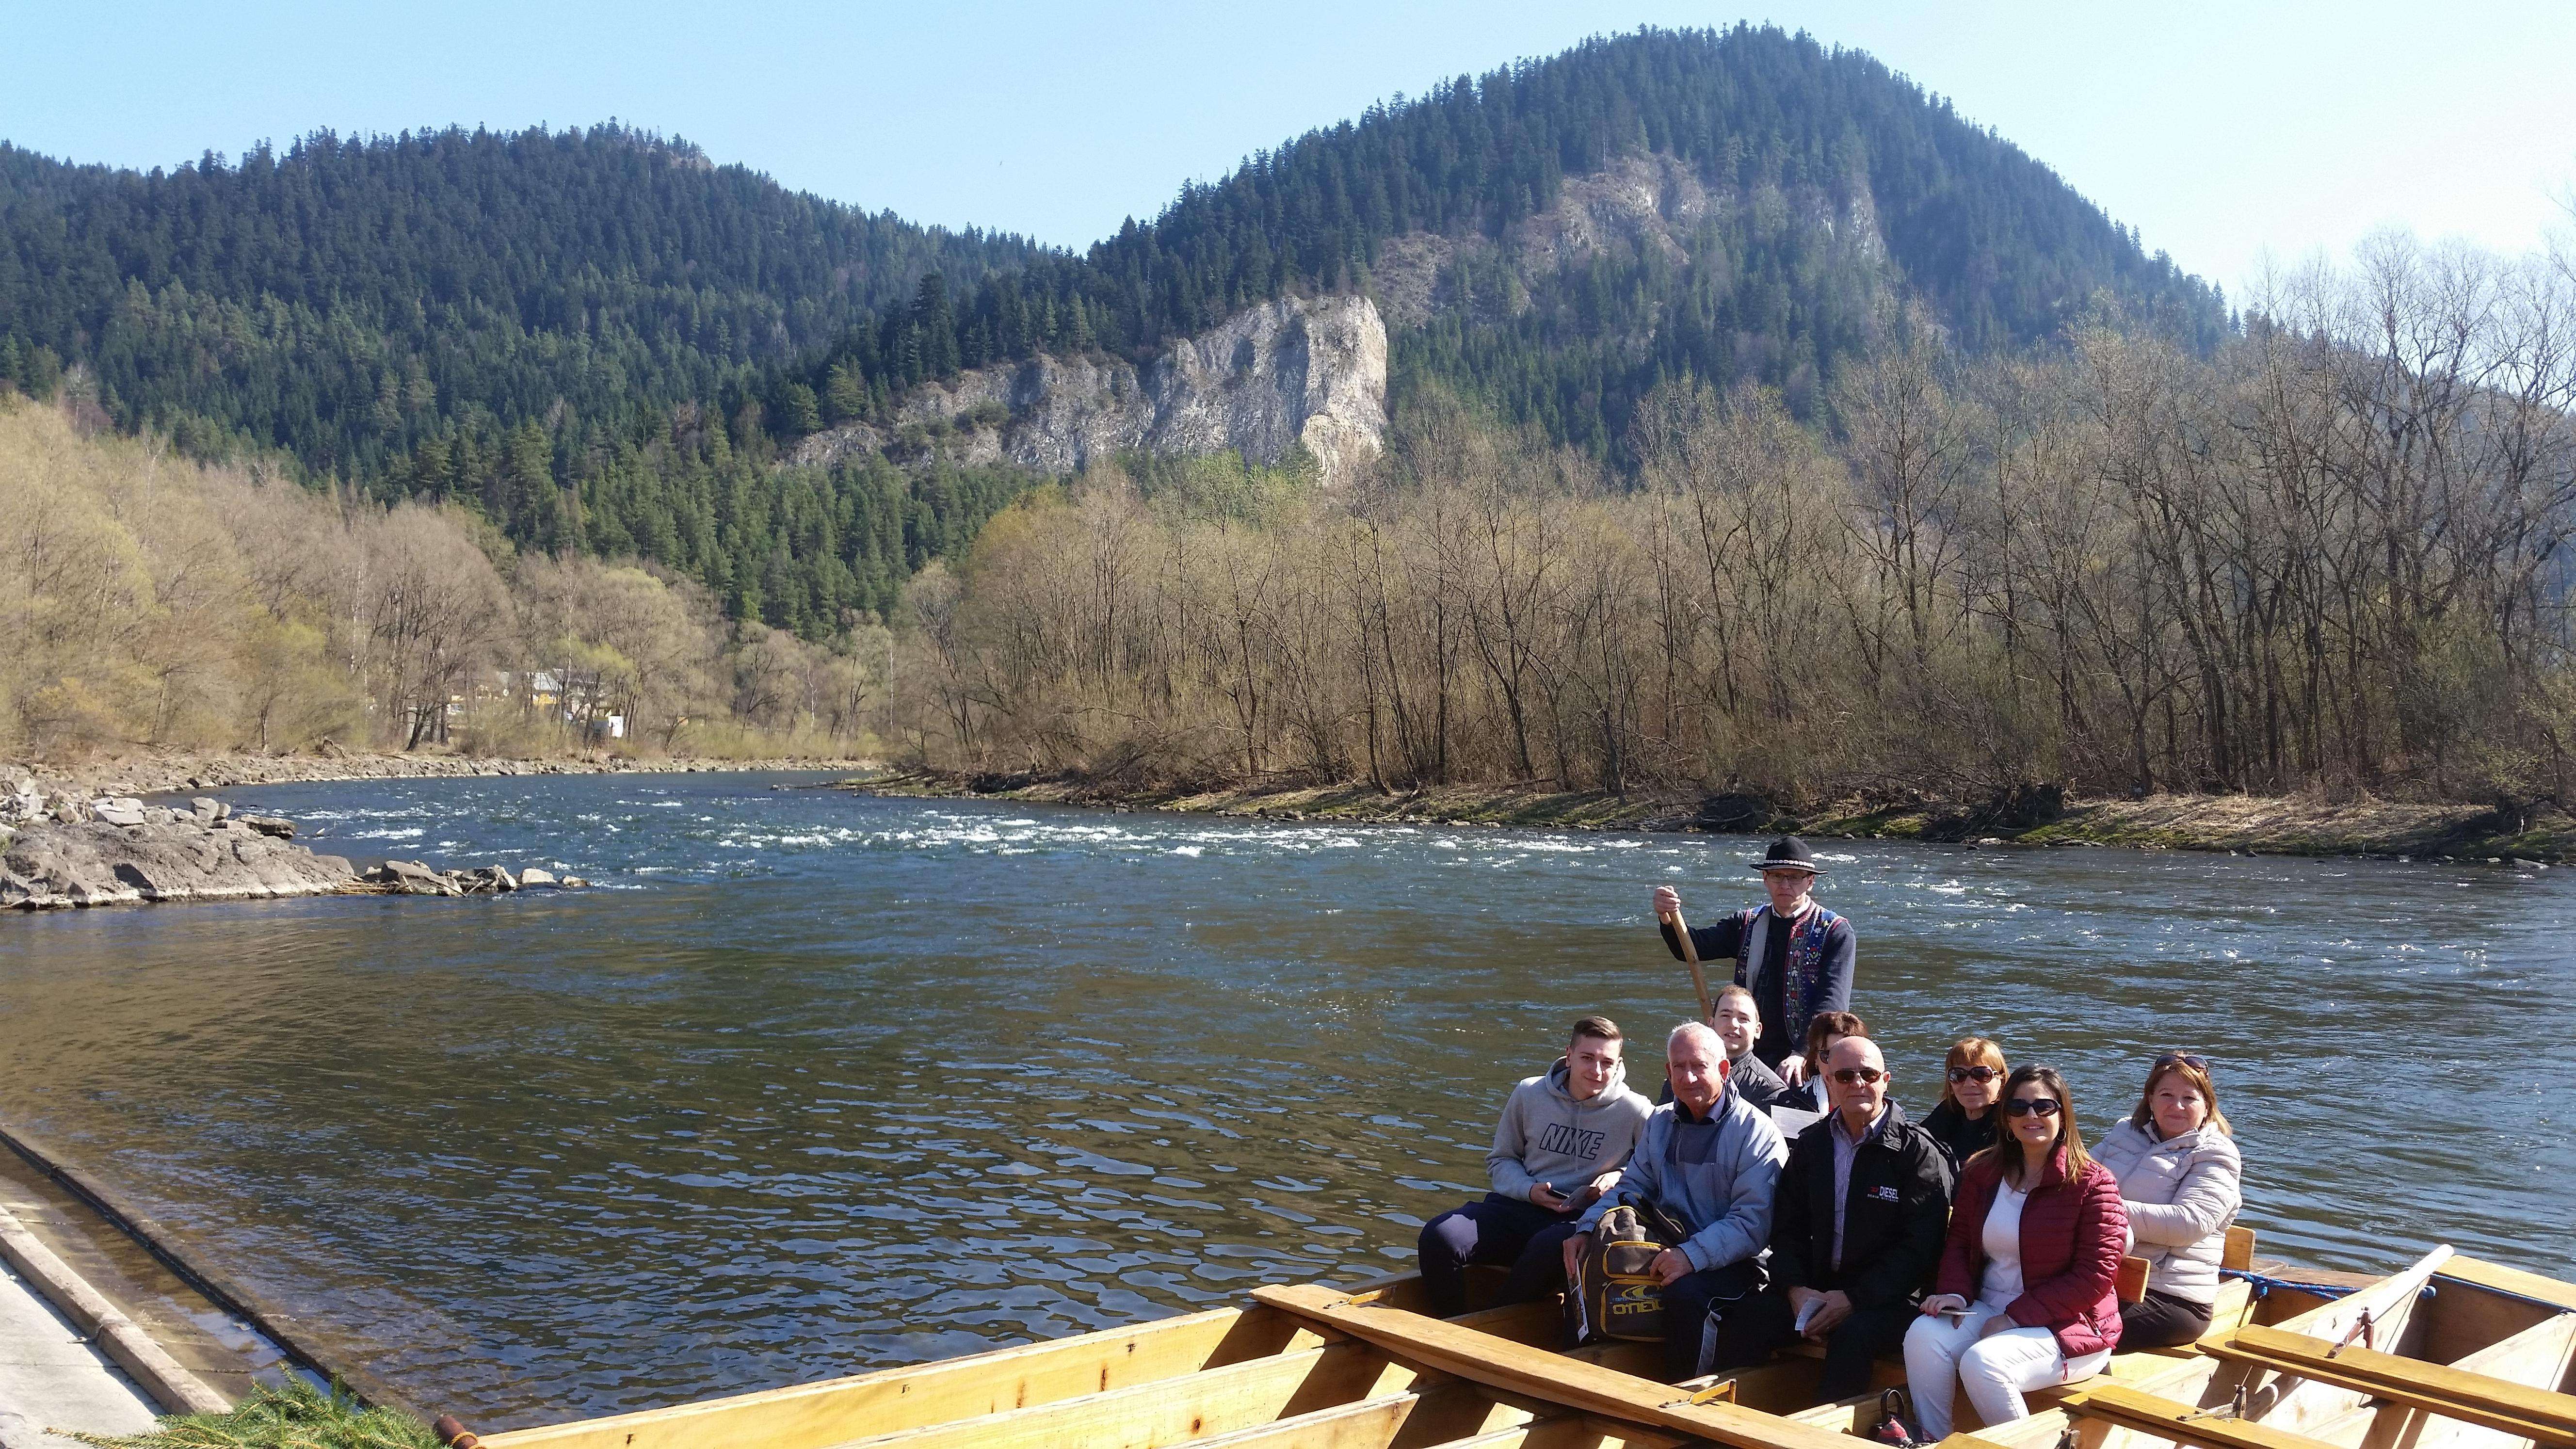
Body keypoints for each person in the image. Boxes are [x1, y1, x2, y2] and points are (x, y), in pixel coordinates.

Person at [1707, 1036, 1954, 1400]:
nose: (1857, 1084)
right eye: (1845, 1076)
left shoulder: (1917, 1153)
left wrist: (1853, 1299)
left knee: (1853, 1336)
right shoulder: (1813, 1144)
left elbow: (1919, 1250)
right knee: (1747, 1318)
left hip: (1890, 1300)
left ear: (1886, 1080)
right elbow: (1786, 1227)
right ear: (1829, 1082)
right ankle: (1727, 1427)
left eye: (1868, 1074)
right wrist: (1794, 1289)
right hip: (1817, 1289)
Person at [1547, 1022, 1789, 1379]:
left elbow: (1752, 1224)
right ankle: (1575, 1374)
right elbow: (1631, 1189)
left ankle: (1683, 1395)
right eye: (1679, 1067)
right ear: (1668, 1071)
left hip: (1737, 1263)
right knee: (1582, 1261)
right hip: (1668, 1243)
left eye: (1699, 1067)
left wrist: (1691, 1256)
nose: (1688, 1078)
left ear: (1723, 1070)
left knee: (1688, 1295)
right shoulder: (1661, 1122)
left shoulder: (1756, 1133)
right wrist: (1586, 1229)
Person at [1903, 1066, 2127, 1441]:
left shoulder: (2093, 1183)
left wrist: (2015, 1318)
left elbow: (2095, 1277)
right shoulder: (1982, 1172)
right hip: (1988, 1308)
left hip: (2071, 1326)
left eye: (2044, 1106)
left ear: (2063, 1115)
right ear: (2005, 1118)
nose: (2031, 1116)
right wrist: (1956, 1293)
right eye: (2019, 1107)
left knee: (1984, 1364)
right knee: (1923, 1336)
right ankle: (1934, 1440)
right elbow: (1959, 1241)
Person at [1418, 1017, 1653, 1316]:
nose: (1596, 1071)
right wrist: (1529, 1190)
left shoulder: (1637, 1110)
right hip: (1519, 1205)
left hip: (1579, 1219)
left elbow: (1652, 1174)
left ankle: (1488, 1327)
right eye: (1587, 1058)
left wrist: (1617, 1177)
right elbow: (1502, 1159)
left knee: (1548, 1247)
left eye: (1607, 1062)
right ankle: (1445, 1322)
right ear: (1568, 1056)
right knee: (1439, 1236)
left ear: (1619, 1063)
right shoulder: (1529, 1093)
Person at [1652, 837, 1856, 1084]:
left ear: (1810, 882)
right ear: (1765, 879)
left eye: (1795, 877)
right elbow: (1692, 948)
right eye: (1778, 876)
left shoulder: (1834, 931)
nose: (1785, 884)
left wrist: (1801, 1054)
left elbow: (1832, 1005)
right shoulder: (1747, 923)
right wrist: (1667, 917)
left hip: (1805, 1062)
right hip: (1746, 1054)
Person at [2092, 1053, 2242, 1349]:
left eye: (2190, 1097)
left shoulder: (2217, 1153)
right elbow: (2078, 1178)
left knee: (2071, 1328)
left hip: (2172, 1297)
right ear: (2150, 1099)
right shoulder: (2125, 1132)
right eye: (2166, 1095)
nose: (2177, 1106)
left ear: (2207, 1105)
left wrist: (2102, 1210)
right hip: (2107, 1278)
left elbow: (2189, 1223)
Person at [1696, 984, 1791, 1111]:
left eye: (1743, 1019)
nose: (1734, 1024)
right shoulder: (1687, 1072)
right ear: (1711, 1024)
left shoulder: (1769, 1089)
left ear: (1758, 1030)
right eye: (1726, 1016)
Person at [1922, 1038, 2009, 1169]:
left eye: (1981, 1074)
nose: (1969, 1084)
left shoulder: (2010, 1125)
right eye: (1958, 1075)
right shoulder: (1947, 1113)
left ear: (2001, 1080)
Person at [1777, 1011, 1868, 1114]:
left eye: (1845, 1056)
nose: (1836, 1064)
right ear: (1815, 1058)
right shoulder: (1790, 1102)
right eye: (1827, 1056)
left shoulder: (1878, 1102)